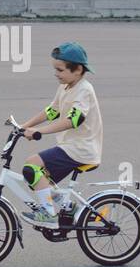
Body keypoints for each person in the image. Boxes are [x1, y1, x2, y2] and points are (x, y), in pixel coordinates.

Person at [18, 42, 103, 224]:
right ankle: (68, 206)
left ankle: (48, 214)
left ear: (78, 70)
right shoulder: (65, 87)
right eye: (55, 69)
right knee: (35, 177)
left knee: (31, 166)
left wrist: (39, 131)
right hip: (70, 146)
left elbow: (73, 120)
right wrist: (24, 125)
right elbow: (52, 111)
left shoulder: (84, 90)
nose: (56, 73)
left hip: (81, 149)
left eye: (60, 69)